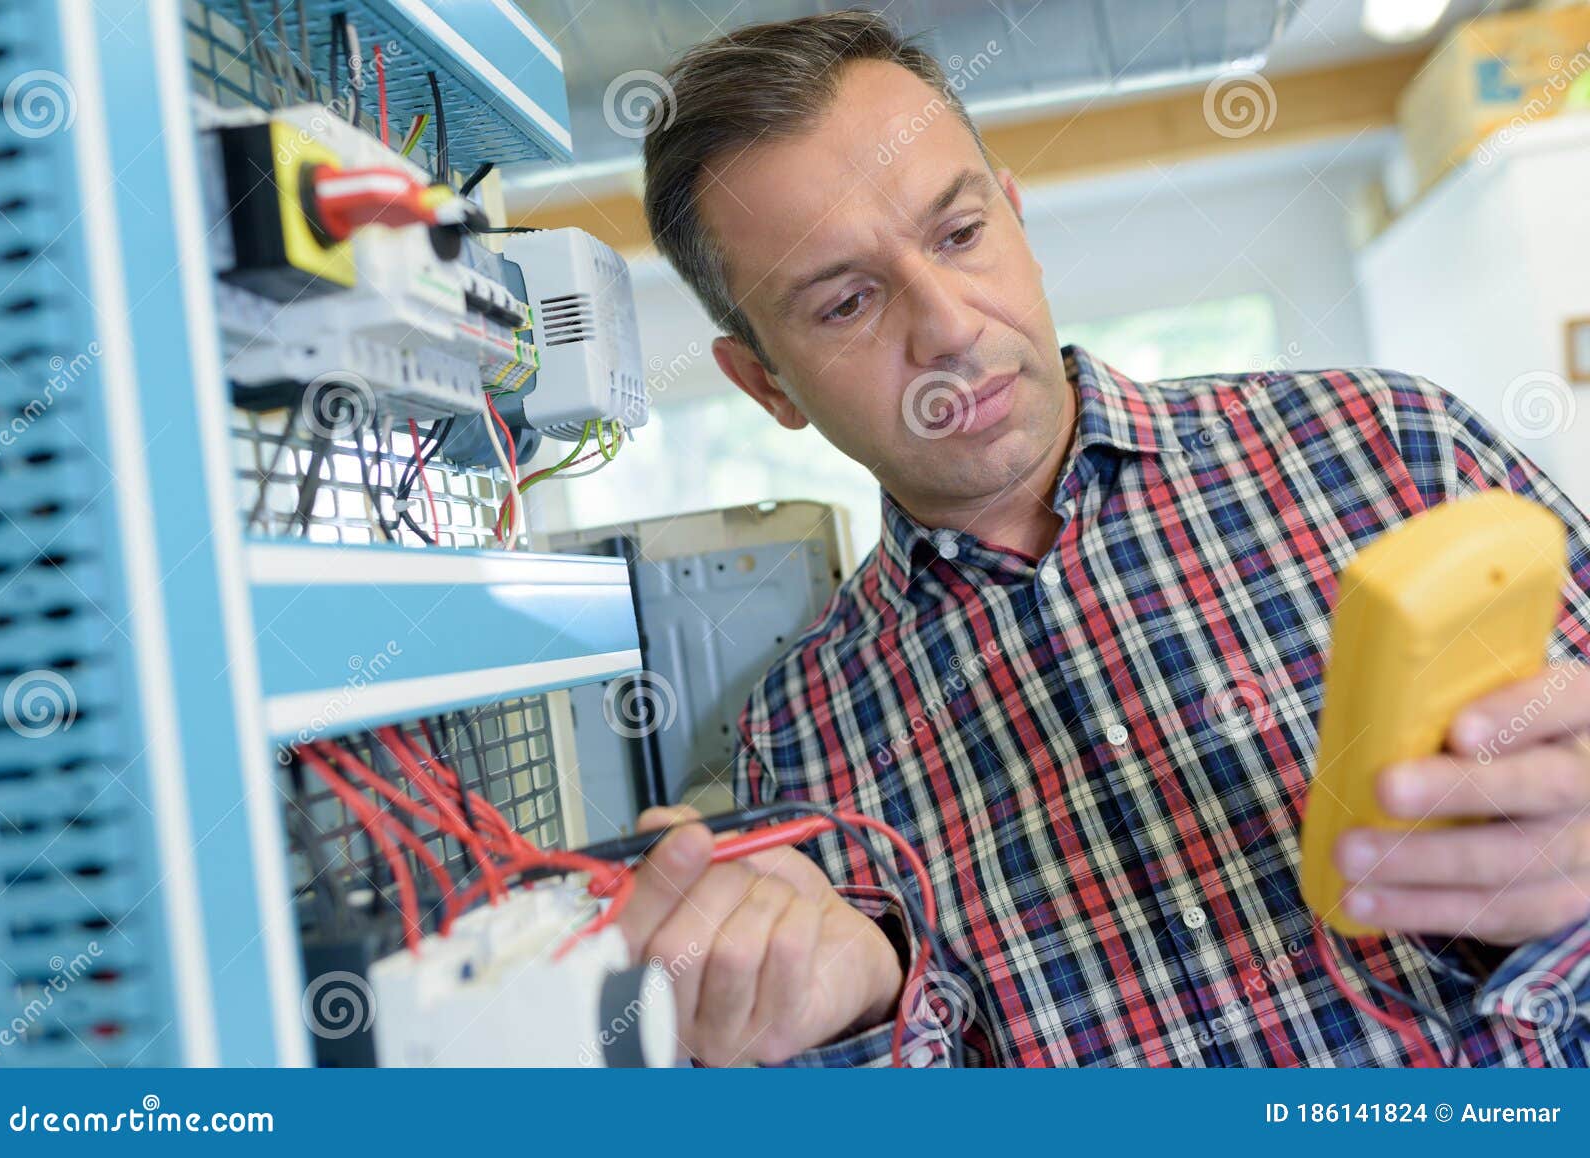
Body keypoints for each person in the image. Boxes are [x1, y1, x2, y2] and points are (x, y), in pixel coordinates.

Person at [613, 10, 1590, 1067]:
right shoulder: (798, 736)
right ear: (764, 385)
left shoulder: (1391, 448)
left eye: (959, 234)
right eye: (847, 301)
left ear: (1017, 223)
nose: (947, 326)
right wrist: (858, 1018)